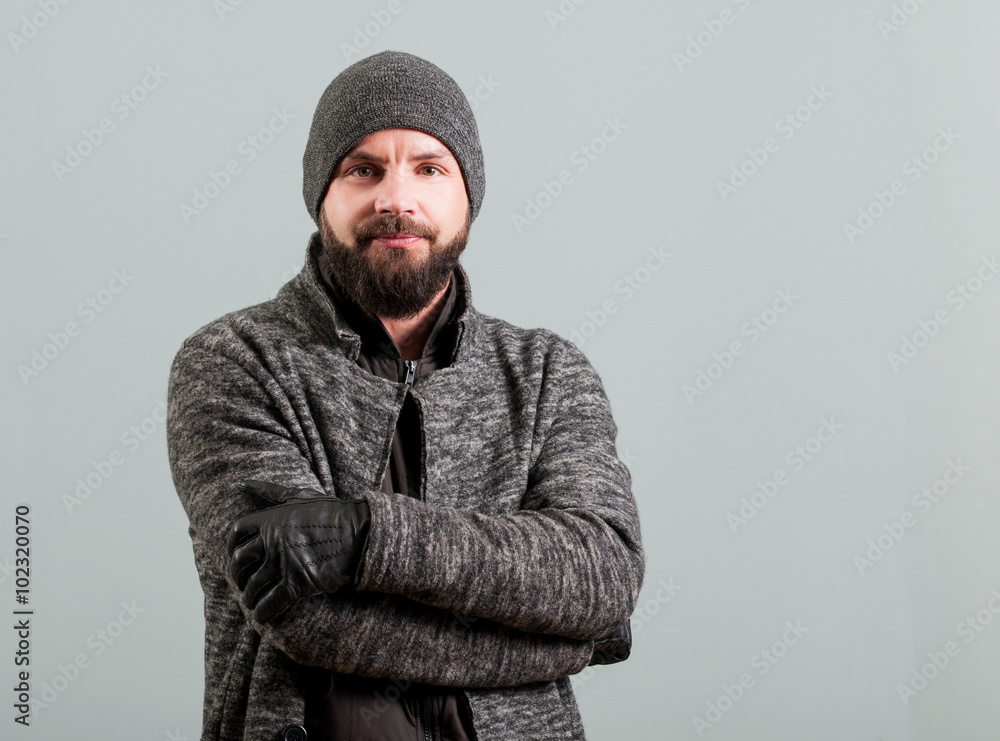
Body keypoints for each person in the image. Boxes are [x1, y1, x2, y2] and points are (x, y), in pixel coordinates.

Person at [166, 49, 644, 741]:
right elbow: (312, 621)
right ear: (320, 195)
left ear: (466, 195)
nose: (397, 198)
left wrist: (366, 535)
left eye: (429, 167)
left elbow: (601, 572)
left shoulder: (547, 373)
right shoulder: (233, 362)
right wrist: (574, 640)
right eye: (363, 169)